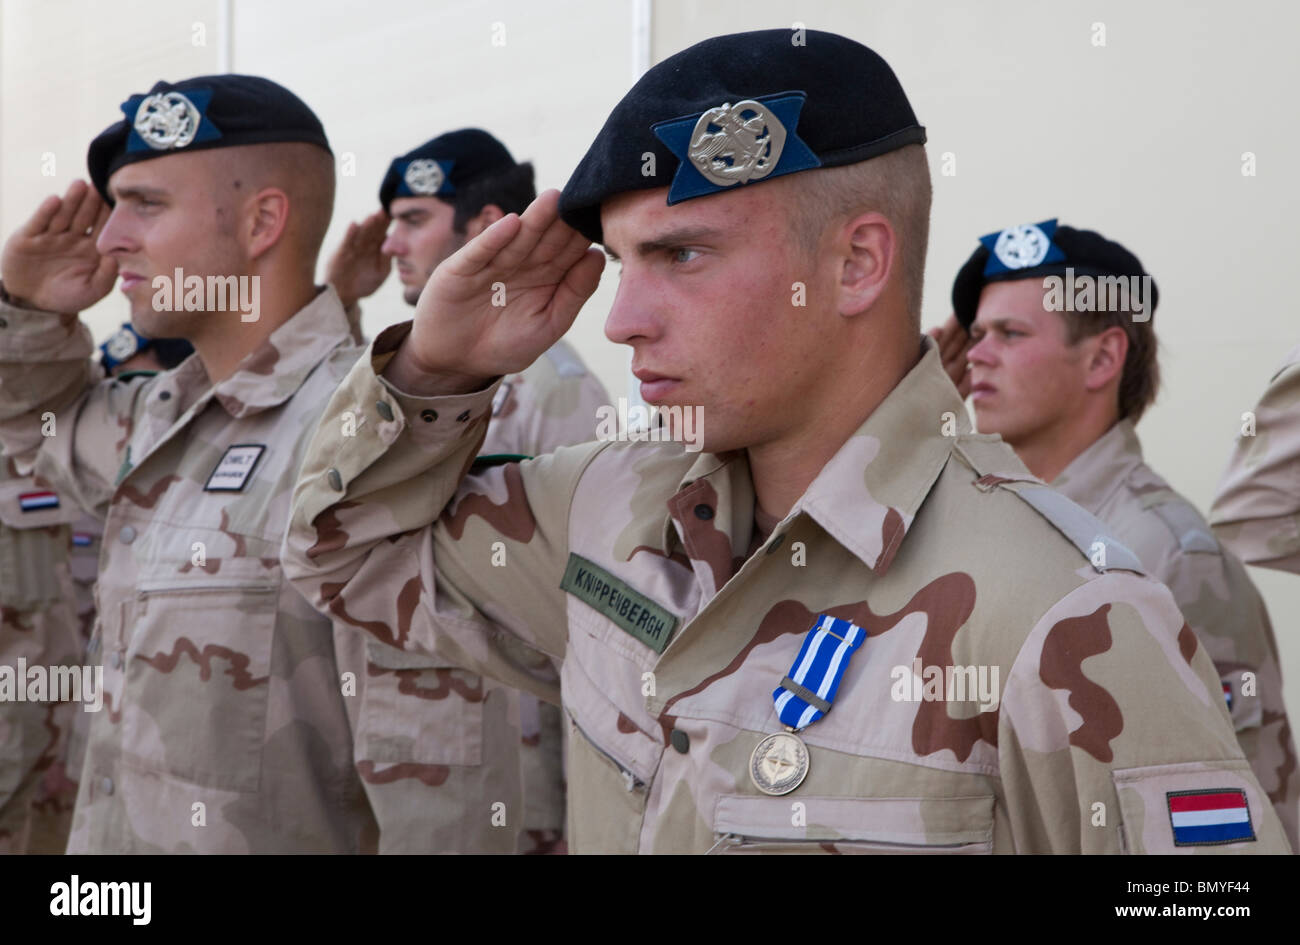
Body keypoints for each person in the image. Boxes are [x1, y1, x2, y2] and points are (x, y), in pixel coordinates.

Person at [283, 29, 1287, 853]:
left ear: (854, 264)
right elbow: (343, 559)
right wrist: (435, 372)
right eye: (621, 262)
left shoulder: (1066, 614)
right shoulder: (606, 509)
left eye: (681, 254)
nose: (623, 317)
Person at [0, 75, 377, 852]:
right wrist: (28, 307)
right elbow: (34, 431)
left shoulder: (364, 437)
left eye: (146, 204)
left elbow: (433, 788)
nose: (108, 239)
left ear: (261, 221)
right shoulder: (163, 414)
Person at [931, 219, 1297, 848]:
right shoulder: (967, 522)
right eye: (977, 335)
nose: (976, 356)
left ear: (1102, 358)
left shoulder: (1170, 558)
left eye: (1011, 334)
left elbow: (1224, 823)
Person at [323, 129, 610, 852]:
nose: (391, 244)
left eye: (414, 219)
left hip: (511, 778)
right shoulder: (406, 379)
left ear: (485, 228)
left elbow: (589, 617)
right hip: (403, 756)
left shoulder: (557, 392)